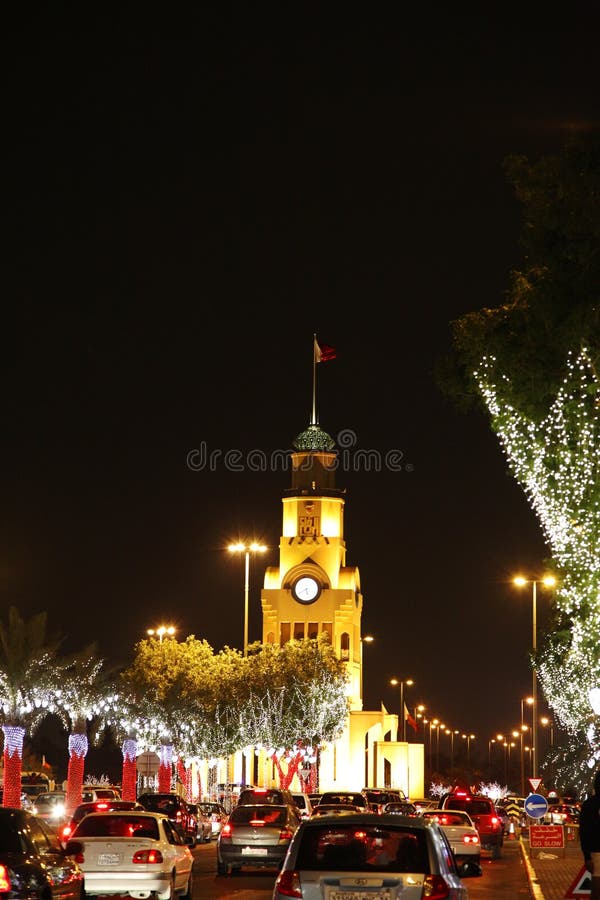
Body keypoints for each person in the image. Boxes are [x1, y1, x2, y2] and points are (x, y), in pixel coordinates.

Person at [579, 771, 600, 900]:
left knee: (597, 890)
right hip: (596, 854)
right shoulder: (590, 805)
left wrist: (587, 856)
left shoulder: (589, 805)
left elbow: (584, 833)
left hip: (595, 854)